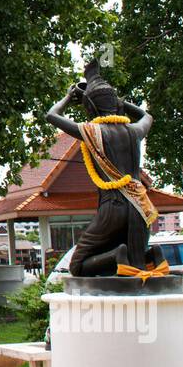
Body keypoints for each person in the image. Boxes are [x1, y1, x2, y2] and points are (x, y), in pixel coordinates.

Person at [45, 59, 156, 277]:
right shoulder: (134, 131)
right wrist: (121, 104)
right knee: (136, 264)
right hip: (141, 207)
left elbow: (52, 116)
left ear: (91, 108)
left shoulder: (92, 131)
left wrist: (68, 97)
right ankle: (153, 255)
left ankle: (116, 256)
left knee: (77, 266)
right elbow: (147, 116)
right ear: (117, 106)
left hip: (113, 205)